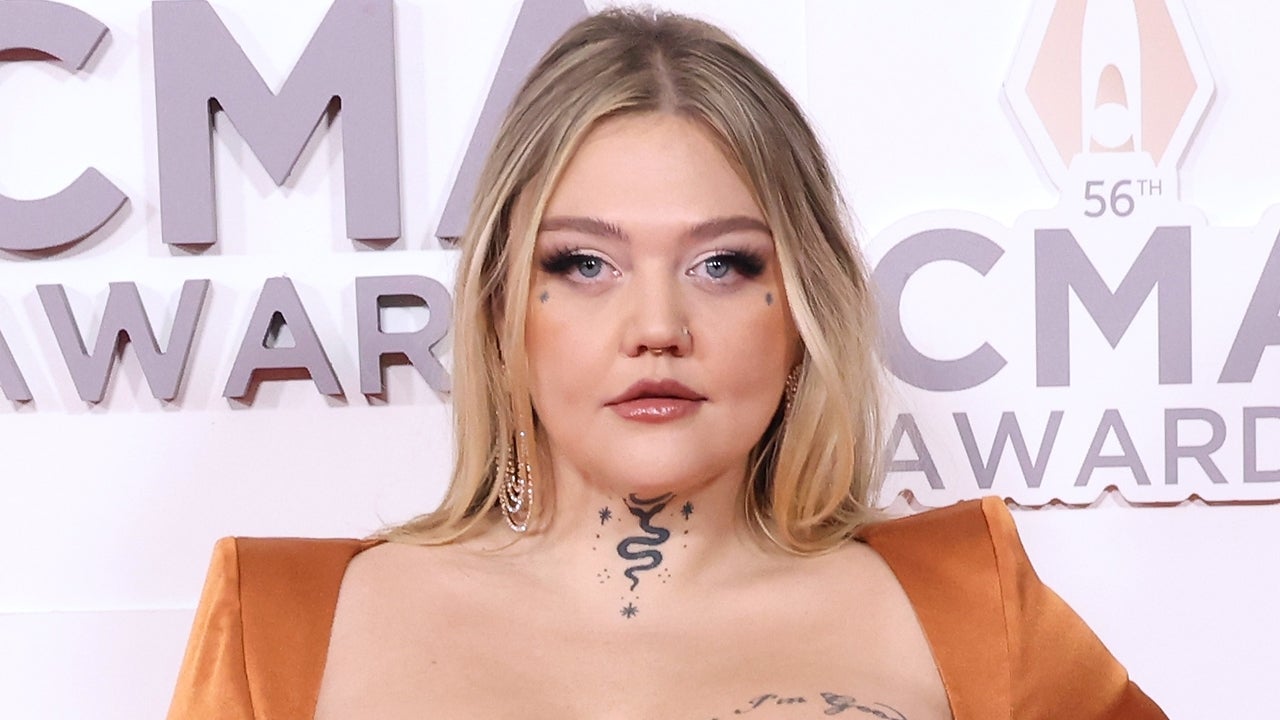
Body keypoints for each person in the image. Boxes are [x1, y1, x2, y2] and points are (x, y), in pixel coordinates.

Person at [166, 8, 1167, 720]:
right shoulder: (279, 624)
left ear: (802, 305)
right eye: (584, 264)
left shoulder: (971, 605)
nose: (657, 326)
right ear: (502, 306)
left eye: (723, 264)